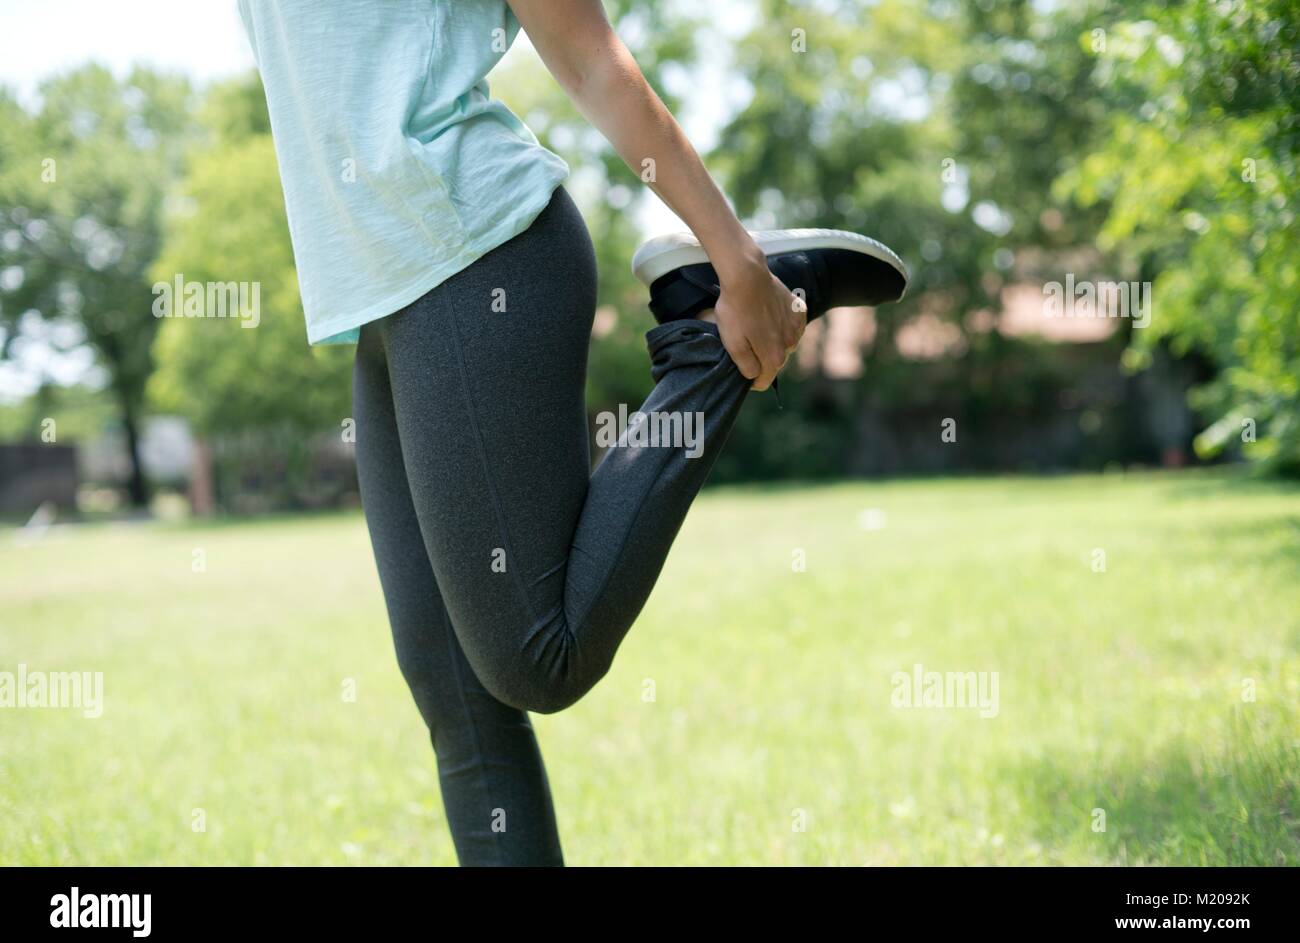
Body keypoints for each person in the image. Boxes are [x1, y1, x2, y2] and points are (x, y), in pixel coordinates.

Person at [237, 0, 906, 866]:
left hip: (474, 251)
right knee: (455, 691)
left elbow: (588, 56)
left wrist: (732, 253)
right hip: (381, 299)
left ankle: (716, 332)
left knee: (535, 659)